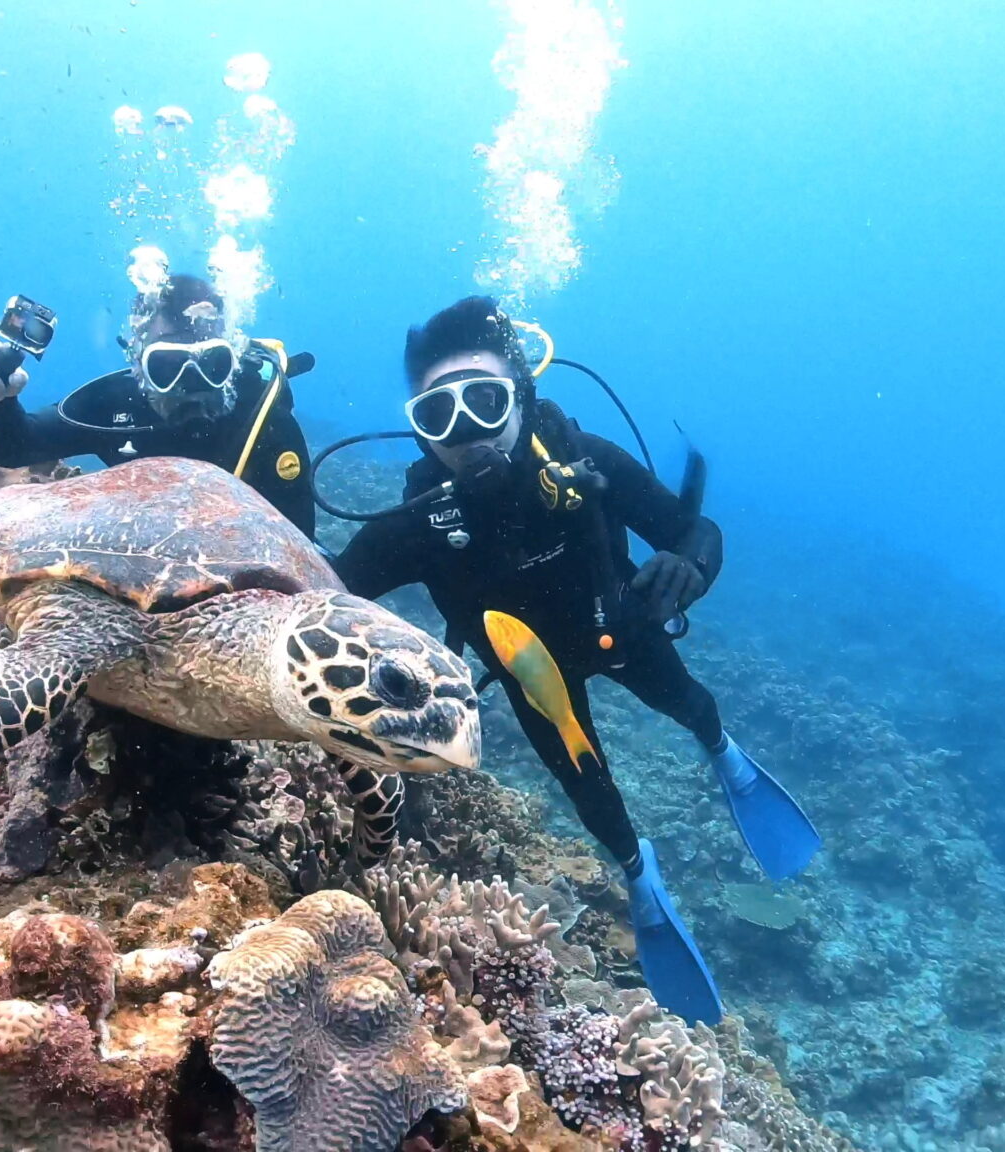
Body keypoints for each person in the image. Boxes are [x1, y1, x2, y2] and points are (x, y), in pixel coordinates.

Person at [331, 296, 822, 1024]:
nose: (466, 432)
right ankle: (638, 873)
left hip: (618, 628)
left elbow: (695, 529)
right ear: (420, 431)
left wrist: (690, 567)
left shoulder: (589, 462)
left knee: (691, 704)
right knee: (587, 786)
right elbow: (329, 592)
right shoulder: (420, 522)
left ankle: (728, 759)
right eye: (439, 416)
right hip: (532, 678)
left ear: (523, 398)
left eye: (486, 400)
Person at [0, 273, 318, 534]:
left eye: (212, 365)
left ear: (235, 359)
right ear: (137, 361)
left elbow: (298, 549)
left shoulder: (264, 422)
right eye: (165, 367)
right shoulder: (113, 404)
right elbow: (13, 448)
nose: (190, 386)